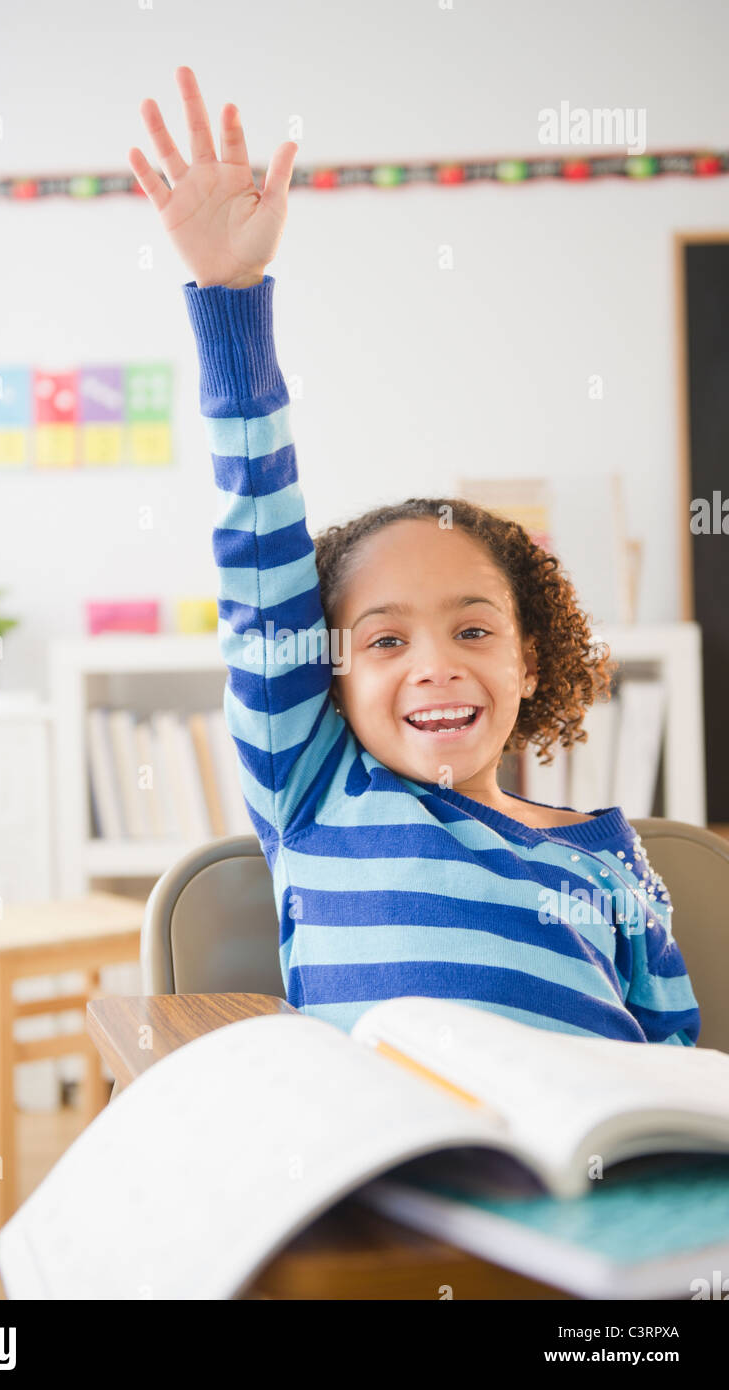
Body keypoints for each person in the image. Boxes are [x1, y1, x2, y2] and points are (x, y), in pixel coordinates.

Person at [128, 67, 700, 1044]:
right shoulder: (314, 795)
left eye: (472, 628)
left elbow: (678, 1062)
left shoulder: (612, 865)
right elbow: (260, 548)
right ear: (329, 674)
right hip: (388, 1180)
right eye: (384, 642)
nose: (435, 661)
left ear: (527, 658)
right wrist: (232, 298)